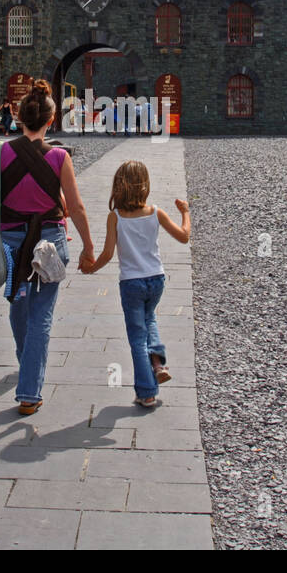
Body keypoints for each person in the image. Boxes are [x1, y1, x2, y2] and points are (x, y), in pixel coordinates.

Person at [0, 79, 94, 415]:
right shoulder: (59, 156)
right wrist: (89, 245)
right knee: (41, 314)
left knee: (18, 303)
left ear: (18, 118)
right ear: (50, 121)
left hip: (13, 241)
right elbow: (76, 206)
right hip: (51, 241)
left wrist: (12, 217)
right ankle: (29, 392)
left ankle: (25, 362)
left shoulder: (0, 152)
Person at [81, 161, 190, 407]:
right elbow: (184, 237)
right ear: (145, 185)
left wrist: (91, 269)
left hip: (131, 283)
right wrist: (185, 211)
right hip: (157, 279)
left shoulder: (115, 217)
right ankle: (158, 364)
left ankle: (146, 391)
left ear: (118, 187)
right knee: (150, 319)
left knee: (137, 337)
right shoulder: (155, 212)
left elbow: (108, 254)